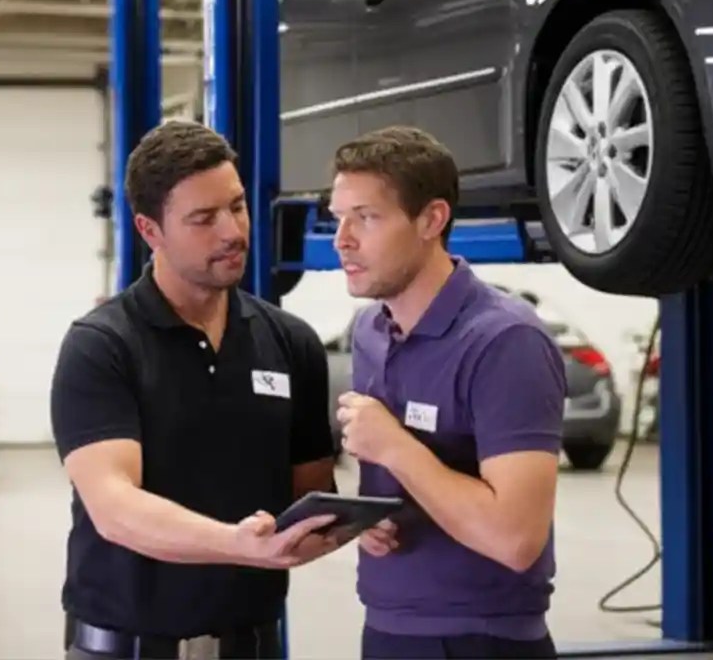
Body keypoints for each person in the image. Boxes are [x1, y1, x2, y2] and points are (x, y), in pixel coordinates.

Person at [50, 120, 341, 660]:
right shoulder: (103, 346)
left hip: (252, 645)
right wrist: (236, 543)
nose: (232, 231)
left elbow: (309, 492)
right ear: (150, 230)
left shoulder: (290, 342)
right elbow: (114, 508)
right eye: (204, 219)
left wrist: (358, 515)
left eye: (236, 206)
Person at [326, 126, 567, 659]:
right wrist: (368, 521)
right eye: (337, 217)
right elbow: (415, 490)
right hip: (387, 625)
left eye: (365, 217)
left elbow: (516, 538)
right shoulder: (370, 331)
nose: (342, 238)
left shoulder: (506, 342)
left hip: (482, 640)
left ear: (432, 219)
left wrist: (395, 447)